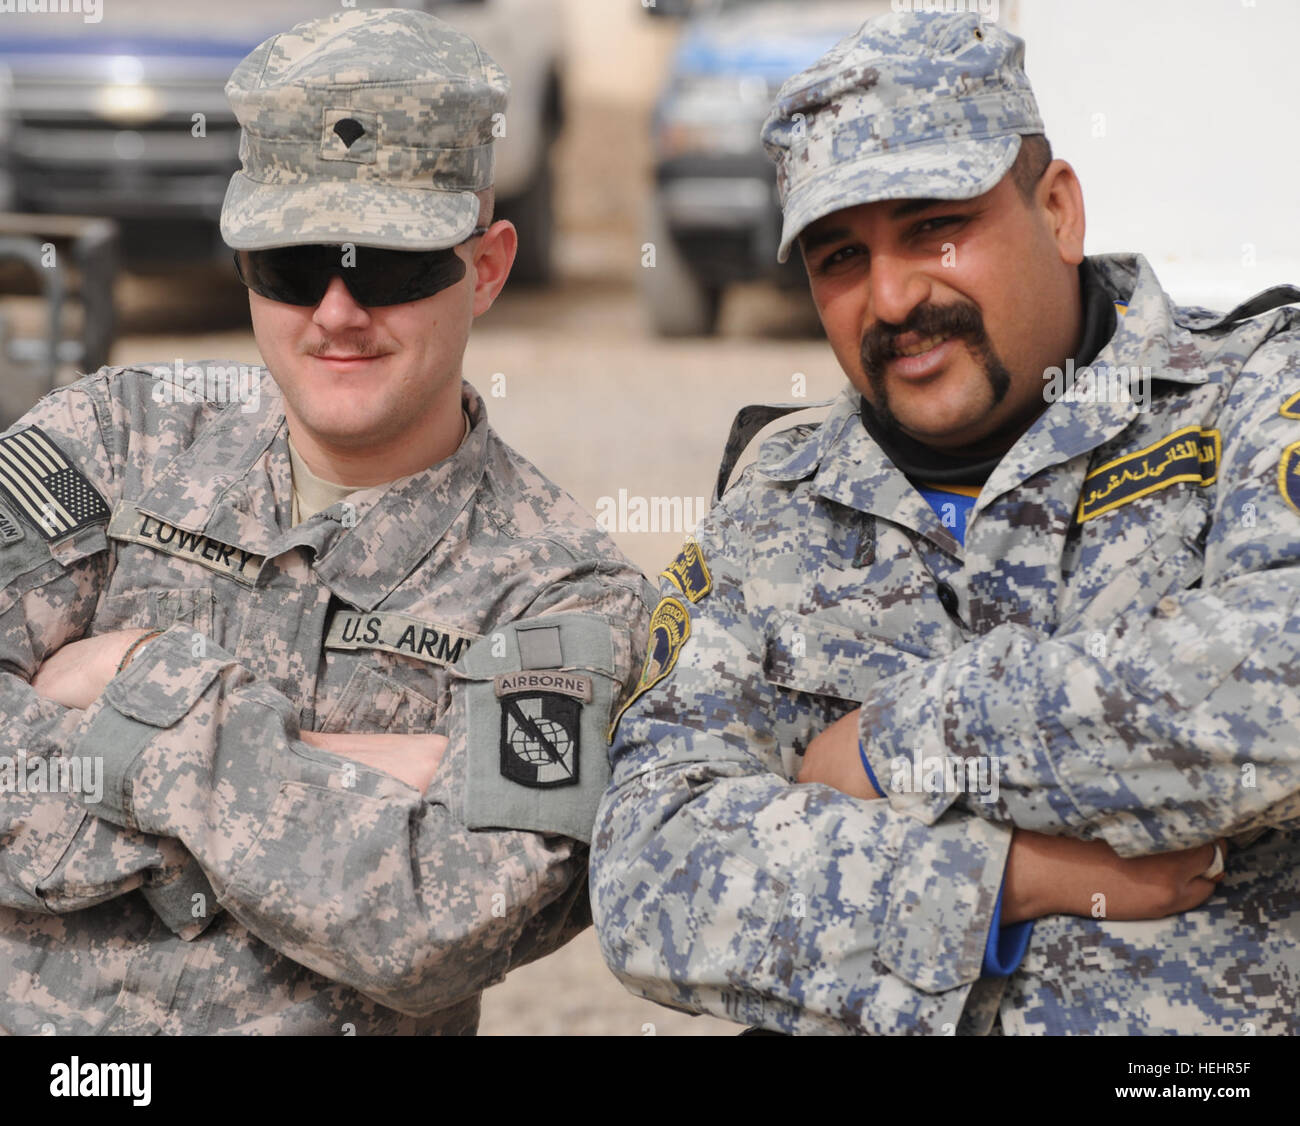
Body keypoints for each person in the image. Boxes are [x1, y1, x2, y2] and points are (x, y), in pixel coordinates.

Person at [590, 10, 1300, 1035]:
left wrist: (904, 742)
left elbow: (1277, 686)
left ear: (1056, 210)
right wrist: (1010, 879)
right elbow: (653, 876)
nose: (891, 296)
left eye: (935, 226)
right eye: (840, 258)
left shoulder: (1249, 396)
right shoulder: (775, 508)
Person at [0, 8, 649, 1035]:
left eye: (388, 265)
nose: (338, 311)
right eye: (296, 263)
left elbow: (445, 918)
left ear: (485, 265)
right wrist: (353, 774)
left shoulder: (564, 592)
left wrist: (142, 685)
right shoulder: (112, 437)